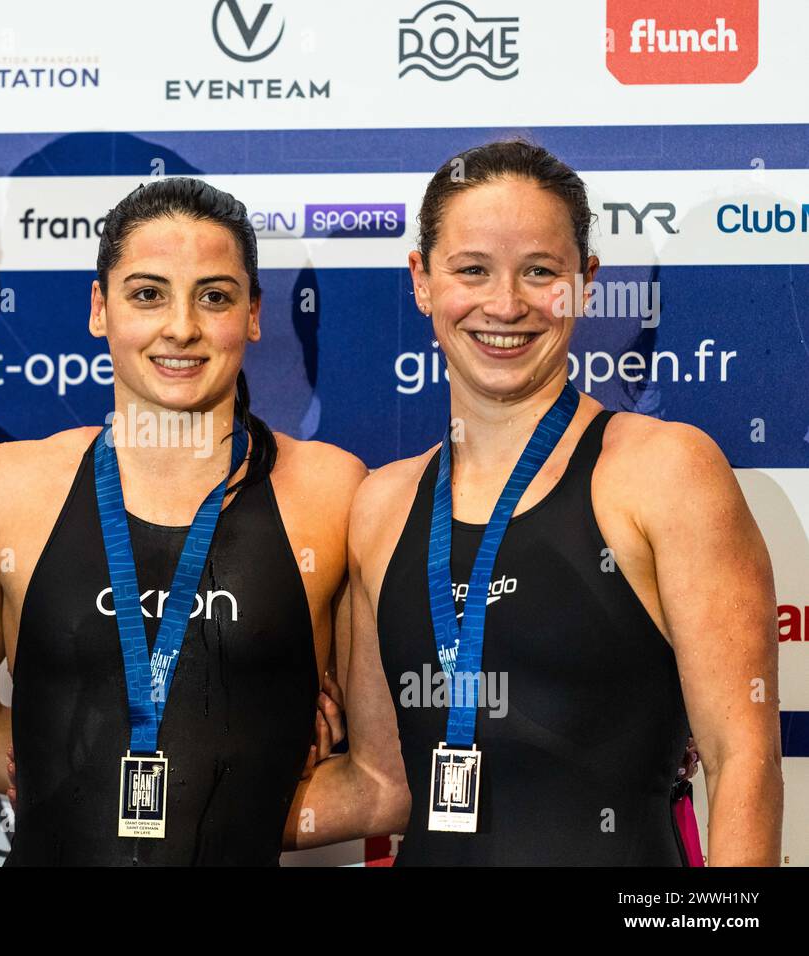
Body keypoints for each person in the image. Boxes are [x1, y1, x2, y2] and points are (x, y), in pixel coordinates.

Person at [292, 140, 782, 865]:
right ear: (421, 281)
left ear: (585, 282)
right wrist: (182, 813)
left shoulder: (663, 471)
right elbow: (380, 784)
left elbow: (742, 762)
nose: (505, 305)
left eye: (540, 273)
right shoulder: (381, 505)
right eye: (472, 271)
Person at [0, 176, 370, 865]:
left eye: (215, 297)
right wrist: (58, 771)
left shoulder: (333, 493)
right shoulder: (10, 485)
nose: (181, 327)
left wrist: (248, 797)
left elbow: (384, 774)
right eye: (148, 294)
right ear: (99, 308)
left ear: (254, 315)